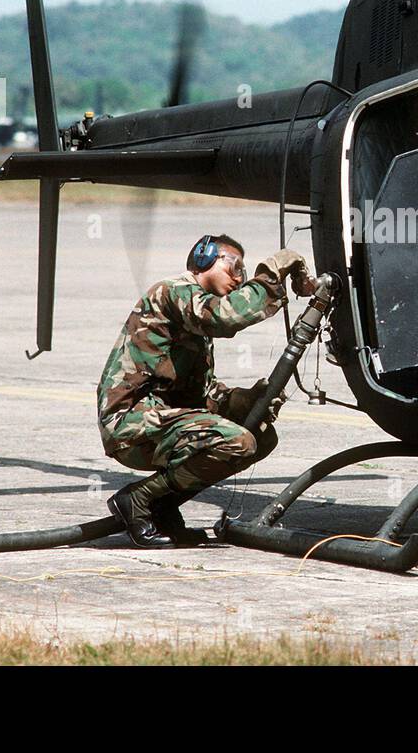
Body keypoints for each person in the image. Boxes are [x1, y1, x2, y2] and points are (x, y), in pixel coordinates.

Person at [97, 233, 314, 547]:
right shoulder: (171, 292)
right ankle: (139, 499)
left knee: (261, 436)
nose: (239, 278)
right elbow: (224, 317)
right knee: (238, 442)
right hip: (130, 424)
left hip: (162, 421)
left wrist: (245, 401)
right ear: (204, 258)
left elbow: (201, 394)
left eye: (245, 271)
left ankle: (163, 505)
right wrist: (269, 275)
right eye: (234, 266)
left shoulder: (193, 322)